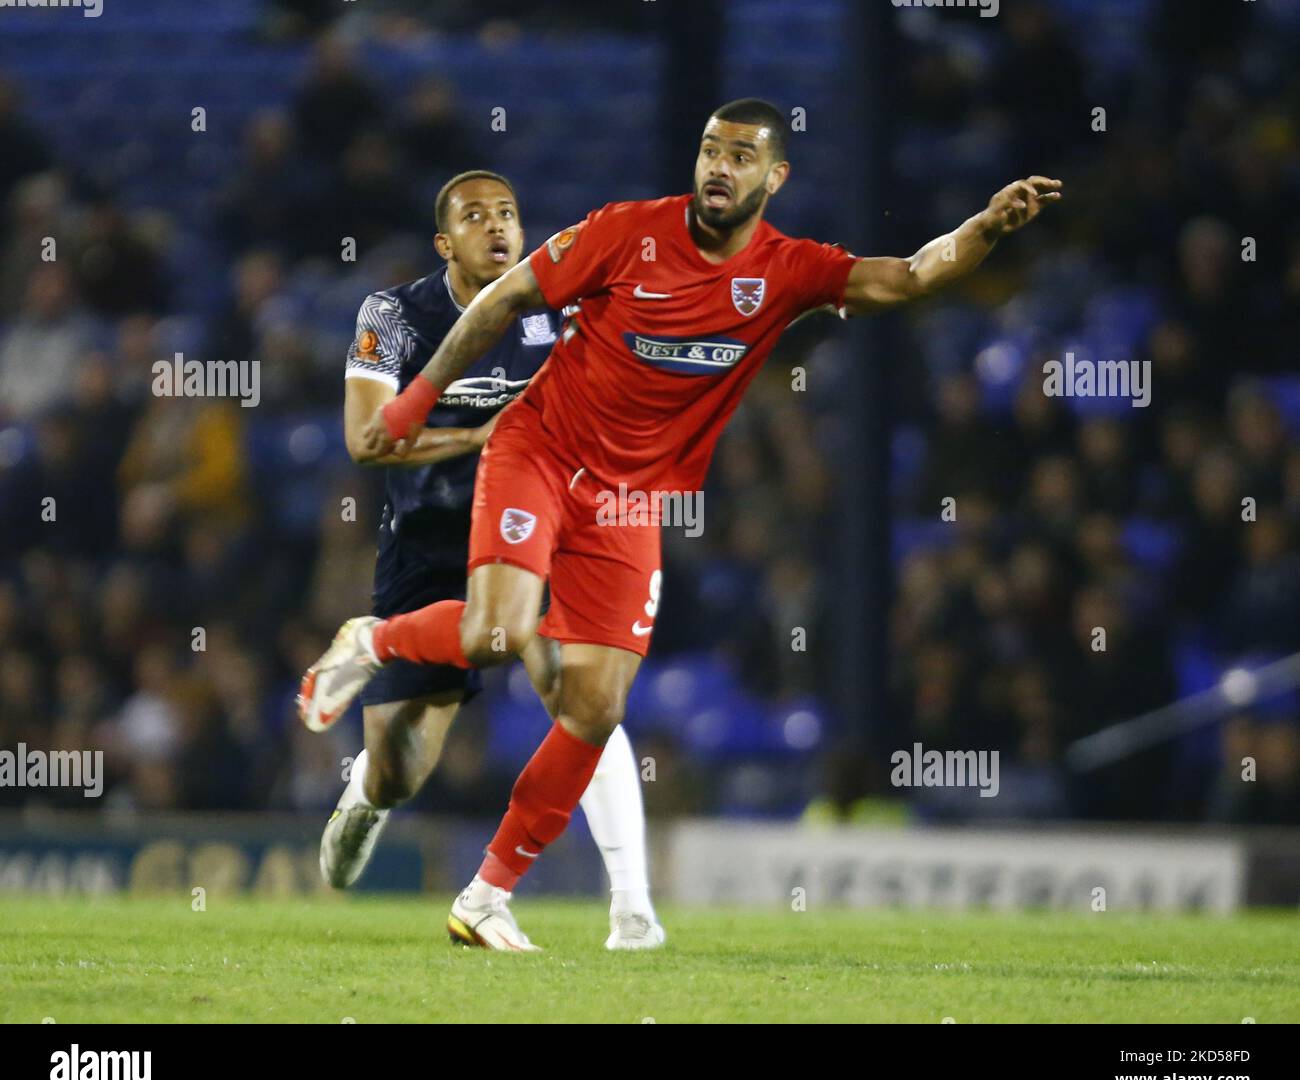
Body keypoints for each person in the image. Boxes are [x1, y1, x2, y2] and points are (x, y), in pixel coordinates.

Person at [300, 98, 1062, 950]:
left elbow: (911, 275)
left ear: (773, 177)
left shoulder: (787, 269)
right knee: (497, 635)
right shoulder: (625, 232)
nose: (717, 167)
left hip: (631, 500)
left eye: (740, 156)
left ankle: (486, 895)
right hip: (543, 452)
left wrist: (986, 229)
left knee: (592, 706)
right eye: (708, 150)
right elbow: (504, 302)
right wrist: (412, 401)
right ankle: (378, 641)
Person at [318, 169, 662, 950]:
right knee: (404, 770)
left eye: (508, 212)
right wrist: (485, 436)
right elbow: (366, 441)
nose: (498, 227)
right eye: (475, 217)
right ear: (445, 242)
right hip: (432, 543)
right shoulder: (395, 314)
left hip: (533, 534)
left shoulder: (561, 303)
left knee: (582, 692)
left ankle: (632, 905)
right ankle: (365, 796)